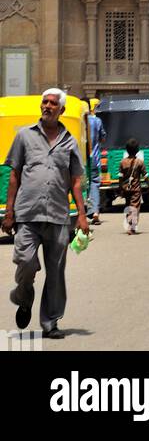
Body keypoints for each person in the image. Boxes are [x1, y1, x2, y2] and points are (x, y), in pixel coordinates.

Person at [3, 88, 89, 339]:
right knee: (26, 262)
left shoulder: (70, 141)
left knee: (55, 271)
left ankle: (50, 322)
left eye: (53, 103)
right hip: (28, 213)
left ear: (61, 110)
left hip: (58, 215)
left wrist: (82, 215)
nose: (47, 106)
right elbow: (14, 175)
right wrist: (9, 212)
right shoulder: (24, 137)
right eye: (45, 102)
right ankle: (23, 295)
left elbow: (75, 182)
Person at [118, 138, 149, 235]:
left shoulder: (122, 162)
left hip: (126, 189)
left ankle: (129, 222)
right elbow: (146, 176)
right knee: (135, 207)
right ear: (138, 150)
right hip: (136, 190)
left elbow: (120, 178)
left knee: (128, 206)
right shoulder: (140, 162)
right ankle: (132, 227)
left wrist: (120, 188)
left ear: (126, 150)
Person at [86, 97, 106, 225]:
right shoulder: (97, 121)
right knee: (94, 184)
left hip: (80, 160)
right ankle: (95, 212)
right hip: (94, 158)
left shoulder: (77, 120)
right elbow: (103, 138)